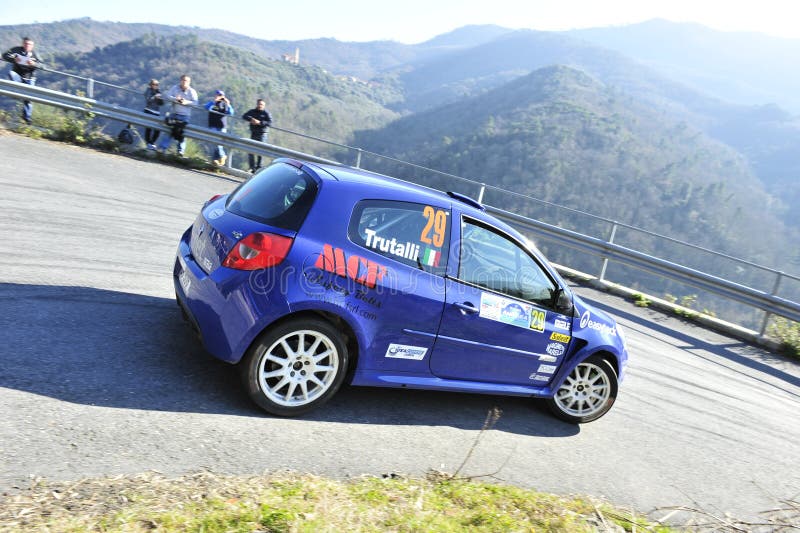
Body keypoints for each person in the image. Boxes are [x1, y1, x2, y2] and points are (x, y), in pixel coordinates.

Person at [2, 37, 43, 125]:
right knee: (11, 73)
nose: (27, 46)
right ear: (22, 44)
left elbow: (42, 65)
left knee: (28, 98)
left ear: (32, 46)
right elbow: (4, 55)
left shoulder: (35, 54)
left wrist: (34, 64)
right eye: (25, 44)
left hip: (29, 78)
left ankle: (27, 118)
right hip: (17, 74)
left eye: (29, 44)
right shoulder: (17, 49)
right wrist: (14, 59)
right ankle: (15, 91)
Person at [157, 74, 198, 156]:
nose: (184, 82)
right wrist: (176, 99)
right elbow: (168, 96)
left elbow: (196, 103)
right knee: (169, 131)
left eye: (186, 81)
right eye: (183, 80)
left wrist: (186, 102)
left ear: (189, 82)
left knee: (181, 133)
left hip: (184, 116)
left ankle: (180, 151)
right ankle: (162, 148)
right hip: (174, 113)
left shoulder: (192, 91)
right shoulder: (175, 88)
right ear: (180, 80)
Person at [242, 98, 272, 172]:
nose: (260, 105)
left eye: (261, 104)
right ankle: (252, 167)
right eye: (259, 104)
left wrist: (260, 122)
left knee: (260, 152)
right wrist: (251, 119)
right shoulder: (252, 111)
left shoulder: (266, 113)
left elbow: (270, 123)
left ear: (264, 105)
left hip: (262, 134)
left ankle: (258, 168)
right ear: (257, 104)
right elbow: (244, 116)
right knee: (250, 151)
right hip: (253, 133)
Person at [204, 90, 234, 166]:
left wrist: (228, 104)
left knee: (219, 143)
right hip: (213, 125)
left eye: (221, 95)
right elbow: (206, 107)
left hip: (222, 126)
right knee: (215, 142)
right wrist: (214, 102)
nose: (219, 97)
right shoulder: (212, 103)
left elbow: (231, 113)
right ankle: (220, 157)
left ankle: (216, 159)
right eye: (218, 95)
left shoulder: (225, 104)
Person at [142, 78, 163, 149]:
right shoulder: (148, 91)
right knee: (149, 128)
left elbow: (161, 103)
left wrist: (160, 98)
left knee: (158, 129)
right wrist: (154, 97)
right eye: (154, 84)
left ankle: (152, 142)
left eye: (157, 85)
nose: (156, 86)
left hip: (156, 112)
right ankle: (148, 143)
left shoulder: (158, 92)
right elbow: (148, 100)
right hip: (149, 110)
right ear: (151, 85)